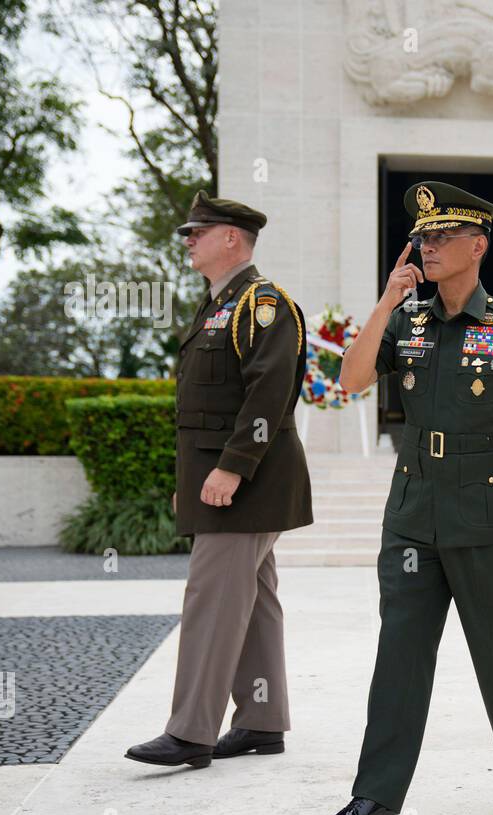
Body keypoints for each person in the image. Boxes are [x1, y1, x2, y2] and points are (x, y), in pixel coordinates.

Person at [313, 181, 493, 815]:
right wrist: (386, 300)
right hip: (412, 512)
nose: (428, 245)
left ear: (477, 244)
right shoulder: (408, 321)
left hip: (487, 513)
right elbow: (352, 380)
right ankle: (376, 798)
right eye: (423, 236)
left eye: (442, 235)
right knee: (399, 653)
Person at [126, 191, 312, 769]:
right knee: (252, 602)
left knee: (212, 598)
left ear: (232, 238)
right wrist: (201, 474)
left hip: (249, 481)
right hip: (230, 479)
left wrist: (231, 467)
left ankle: (190, 733)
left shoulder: (262, 303)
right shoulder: (217, 305)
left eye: (197, 232)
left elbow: (269, 391)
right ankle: (260, 721)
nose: (187, 240)